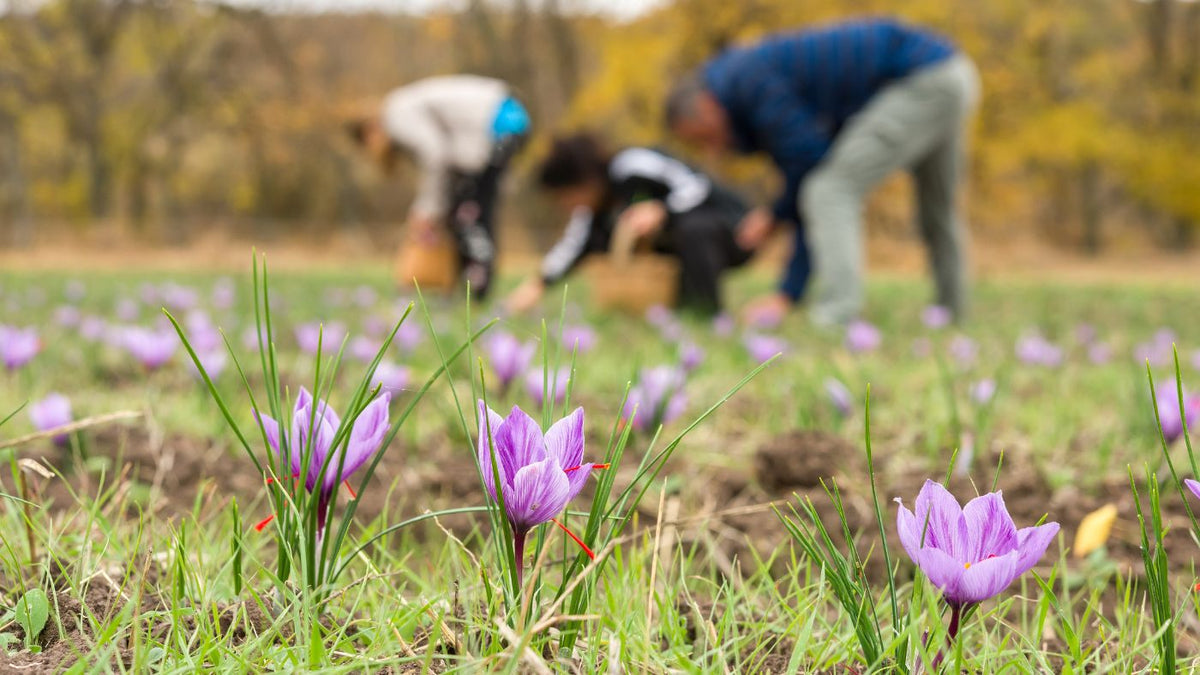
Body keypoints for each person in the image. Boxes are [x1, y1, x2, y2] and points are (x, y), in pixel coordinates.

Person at [666, 17, 980, 327]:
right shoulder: (745, 77)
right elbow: (808, 166)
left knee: (831, 190)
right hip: (952, 72)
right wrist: (777, 215)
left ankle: (838, 313)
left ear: (708, 106)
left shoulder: (751, 84)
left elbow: (811, 173)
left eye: (704, 137)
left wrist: (788, 291)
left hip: (919, 80)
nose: (713, 150)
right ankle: (952, 312)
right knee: (938, 209)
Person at [506, 133, 752, 316]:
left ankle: (705, 311)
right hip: (682, 246)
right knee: (605, 238)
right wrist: (539, 283)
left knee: (693, 228)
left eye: (565, 198)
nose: (565, 207)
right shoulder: (592, 211)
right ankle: (668, 310)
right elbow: (573, 245)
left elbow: (696, 185)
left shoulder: (631, 165)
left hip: (736, 230)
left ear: (584, 180)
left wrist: (662, 210)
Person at [348, 75, 531, 300]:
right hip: (506, 120)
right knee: (465, 211)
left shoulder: (395, 116)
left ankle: (477, 293)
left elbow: (435, 153)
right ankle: (467, 290)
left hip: (501, 121)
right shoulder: (402, 107)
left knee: (470, 215)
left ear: (370, 130)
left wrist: (426, 209)